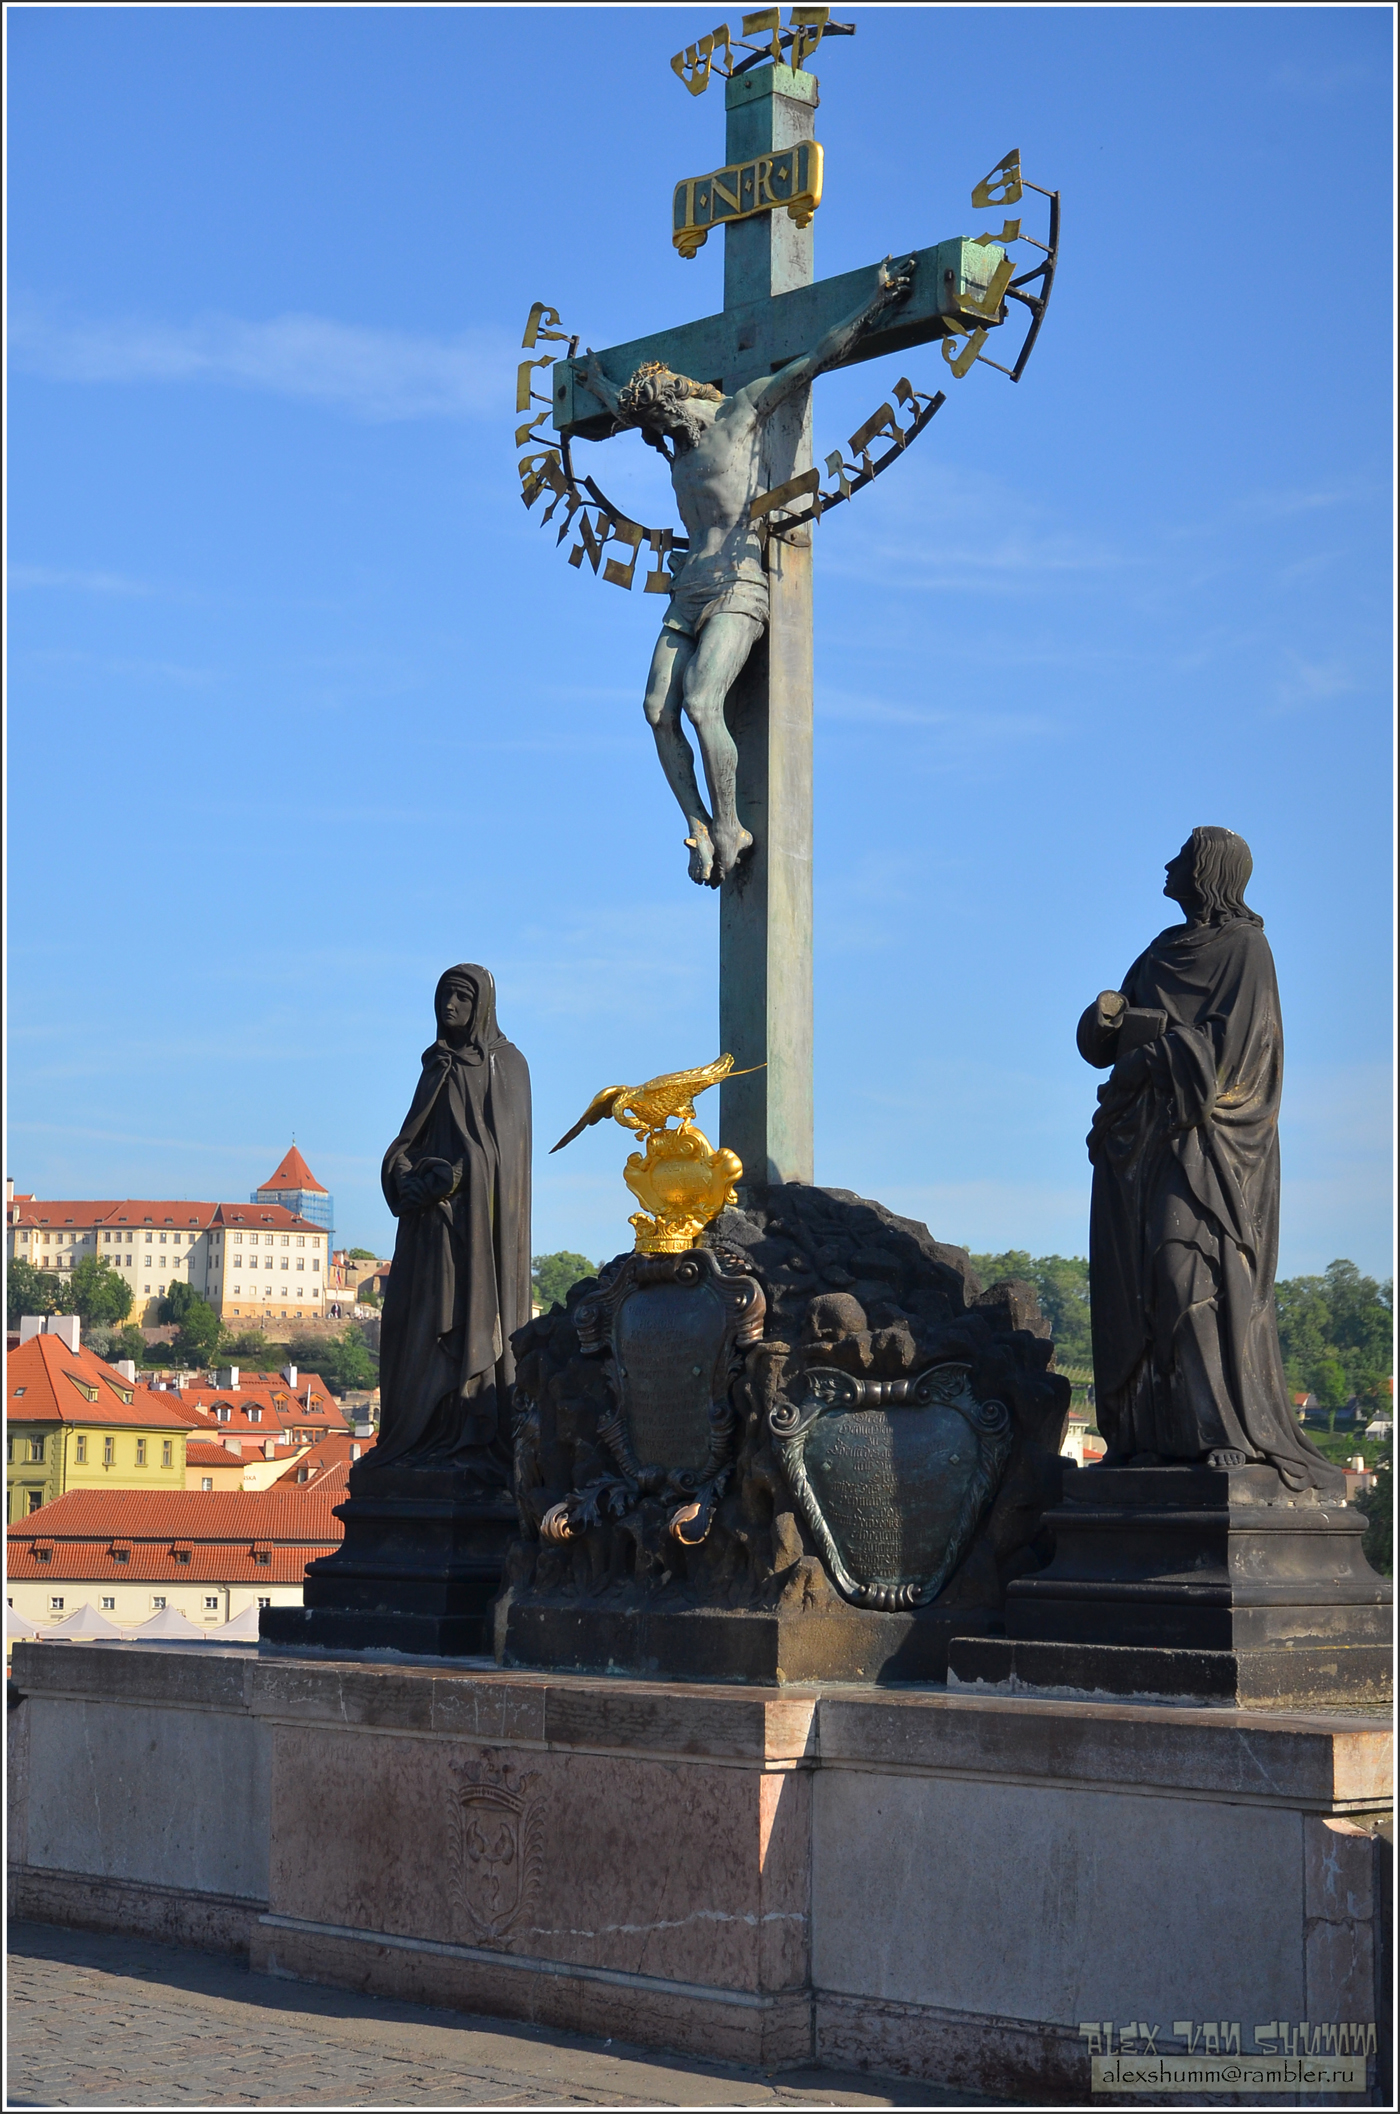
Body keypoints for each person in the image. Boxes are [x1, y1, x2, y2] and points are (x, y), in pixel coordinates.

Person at [578, 256, 915, 888]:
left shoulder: (740, 415)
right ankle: (698, 822)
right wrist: (596, 383)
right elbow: (624, 414)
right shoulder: (668, 437)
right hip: (688, 591)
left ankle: (732, 824)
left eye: (665, 421)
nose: (659, 436)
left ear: (683, 400)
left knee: (704, 704)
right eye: (652, 427)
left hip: (739, 582)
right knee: (656, 710)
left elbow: (812, 359)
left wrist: (871, 305)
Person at [1077, 828, 1341, 1493]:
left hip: (1208, 1146)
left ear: (1210, 871)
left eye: (1182, 859)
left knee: (1183, 1267)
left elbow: (1240, 1058)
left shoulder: (1247, 951)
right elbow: (1105, 1044)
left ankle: (1221, 1428)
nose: (1167, 866)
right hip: (1138, 1141)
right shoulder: (1161, 951)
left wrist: (1159, 1046)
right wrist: (1107, 1021)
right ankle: (1144, 1435)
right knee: (1133, 1286)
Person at [371, 964, 532, 1482]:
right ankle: (415, 1438)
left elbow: (504, 1161)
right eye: (444, 997)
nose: (450, 1007)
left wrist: (459, 1175)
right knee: (413, 1328)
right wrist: (406, 1176)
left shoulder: (508, 1067)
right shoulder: (436, 1066)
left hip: (477, 1239)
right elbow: (406, 1142)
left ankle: (467, 1436)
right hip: (429, 1233)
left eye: (462, 998)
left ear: (482, 1004)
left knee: (463, 1329)